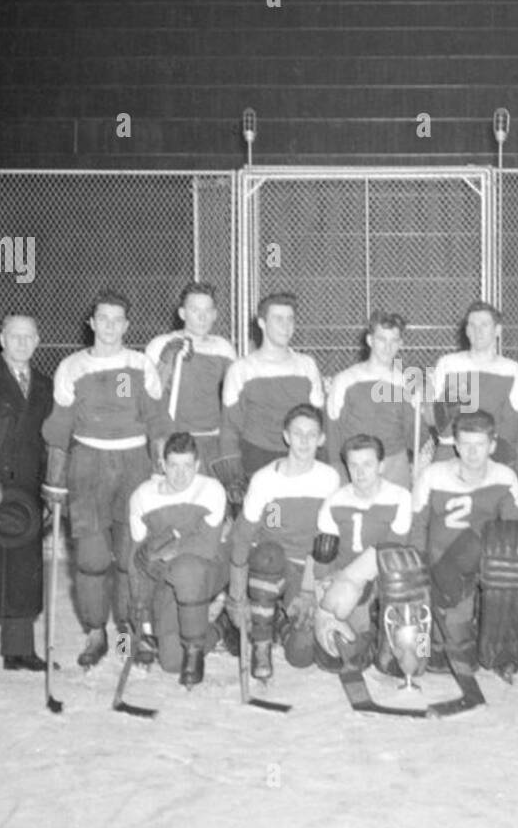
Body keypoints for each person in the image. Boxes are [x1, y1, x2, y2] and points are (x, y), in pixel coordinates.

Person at [41, 290, 170, 667]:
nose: (110, 326)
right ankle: (96, 632)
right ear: (92, 323)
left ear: (126, 325)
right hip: (88, 464)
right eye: (103, 318)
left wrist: (161, 467)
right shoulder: (71, 367)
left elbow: (157, 419)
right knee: (93, 559)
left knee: (131, 557)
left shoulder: (139, 364)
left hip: (133, 462)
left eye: (118, 320)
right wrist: (54, 482)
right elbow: (59, 428)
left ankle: (129, 635)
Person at [0, 313, 53, 680]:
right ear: (1, 338)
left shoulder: (46, 385)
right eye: (14, 335)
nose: (21, 342)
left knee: (23, 571)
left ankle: (19, 650)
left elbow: (50, 442)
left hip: (29, 491)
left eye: (28, 336)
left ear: (37, 341)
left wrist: (51, 488)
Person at [410, 409, 518, 676]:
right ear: (455, 444)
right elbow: (417, 525)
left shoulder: (505, 477)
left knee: (485, 545)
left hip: (479, 563)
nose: (473, 453)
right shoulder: (433, 474)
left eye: (480, 445)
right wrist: (421, 566)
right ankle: (442, 634)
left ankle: (497, 638)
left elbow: (513, 531)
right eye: (465, 445)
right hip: (438, 565)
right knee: (432, 654)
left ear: (493, 445)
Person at [228, 403, 341, 679]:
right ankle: (262, 643)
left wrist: (310, 590)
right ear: (286, 436)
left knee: (301, 656)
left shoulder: (329, 479)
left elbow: (327, 544)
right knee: (268, 555)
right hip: (271, 563)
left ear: (321, 439)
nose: (304, 441)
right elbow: (242, 536)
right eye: (298, 433)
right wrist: (237, 594)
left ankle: (281, 621)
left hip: (307, 568)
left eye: (311, 434)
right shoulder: (266, 479)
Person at [128, 433, 229, 688]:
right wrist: (140, 618)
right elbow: (136, 558)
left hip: (207, 571)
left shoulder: (210, 489)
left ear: (197, 465)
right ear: (162, 465)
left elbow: (205, 547)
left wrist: (169, 547)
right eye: (174, 466)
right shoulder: (142, 497)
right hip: (167, 580)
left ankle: (196, 649)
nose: (181, 474)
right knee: (171, 663)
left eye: (187, 466)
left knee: (187, 569)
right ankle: (220, 626)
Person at [310, 433, 414, 669]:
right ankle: (360, 641)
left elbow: (393, 548)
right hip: (346, 585)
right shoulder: (335, 501)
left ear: (381, 465)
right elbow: (324, 554)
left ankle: (373, 638)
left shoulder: (400, 497)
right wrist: (325, 582)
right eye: (353, 465)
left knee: (407, 660)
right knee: (328, 658)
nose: (360, 472)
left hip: (386, 576)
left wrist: (349, 579)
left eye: (367, 464)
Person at [144, 281, 239, 495]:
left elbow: (233, 399)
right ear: (182, 313)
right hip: (172, 438)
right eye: (195, 310)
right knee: (169, 501)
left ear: (215, 314)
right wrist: (166, 361)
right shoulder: (161, 344)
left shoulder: (224, 348)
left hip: (210, 438)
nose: (202, 317)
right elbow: (146, 394)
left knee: (208, 500)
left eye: (208, 311)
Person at [221, 292, 324, 480]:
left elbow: (318, 419)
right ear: (261, 322)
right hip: (256, 457)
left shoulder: (307, 365)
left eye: (290, 319)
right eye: (278, 319)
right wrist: (232, 475)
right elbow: (230, 427)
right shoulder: (241, 369)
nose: (286, 326)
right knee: (270, 511)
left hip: (301, 456)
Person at [325, 311, 425, 489]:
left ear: (400, 344)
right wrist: (338, 473)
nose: (388, 346)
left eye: (394, 340)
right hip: (357, 464)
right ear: (370, 340)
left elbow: (416, 434)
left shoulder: (406, 383)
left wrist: (420, 465)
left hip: (394, 465)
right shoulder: (346, 380)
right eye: (381, 339)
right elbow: (333, 432)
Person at [430, 301, 518, 468]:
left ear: (497, 330)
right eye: (472, 325)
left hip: (493, 454)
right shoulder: (451, 364)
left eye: (484, 325)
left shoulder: (511, 369)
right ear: (466, 330)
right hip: (452, 451)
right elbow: (443, 424)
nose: (477, 331)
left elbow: (511, 424)